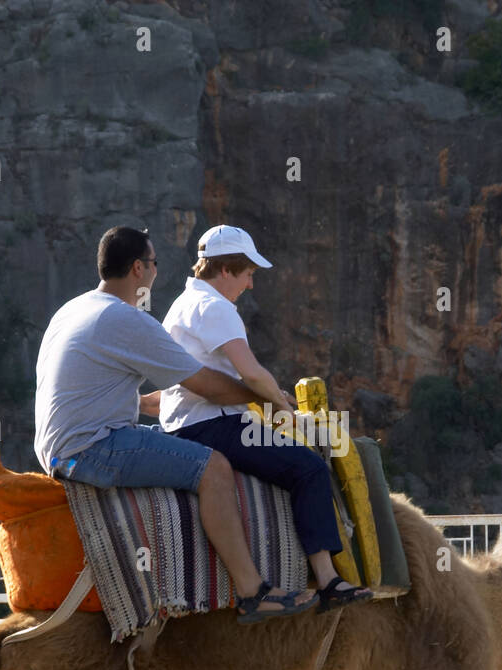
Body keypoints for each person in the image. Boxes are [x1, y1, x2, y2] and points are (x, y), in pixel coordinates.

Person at [35, 226, 315, 623]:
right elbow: (208, 387)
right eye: (153, 262)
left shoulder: (74, 309)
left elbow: (143, 400)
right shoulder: (125, 319)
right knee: (212, 467)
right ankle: (254, 592)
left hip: (66, 444)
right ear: (138, 268)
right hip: (93, 448)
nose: (155, 270)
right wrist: (268, 397)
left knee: (175, 441)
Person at [153, 225, 371, 613]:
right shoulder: (216, 307)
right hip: (213, 424)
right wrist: (286, 412)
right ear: (226, 271)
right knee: (309, 468)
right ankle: (328, 579)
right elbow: (251, 373)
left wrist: (271, 399)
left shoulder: (182, 304)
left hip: (184, 423)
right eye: (248, 273)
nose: (251, 284)